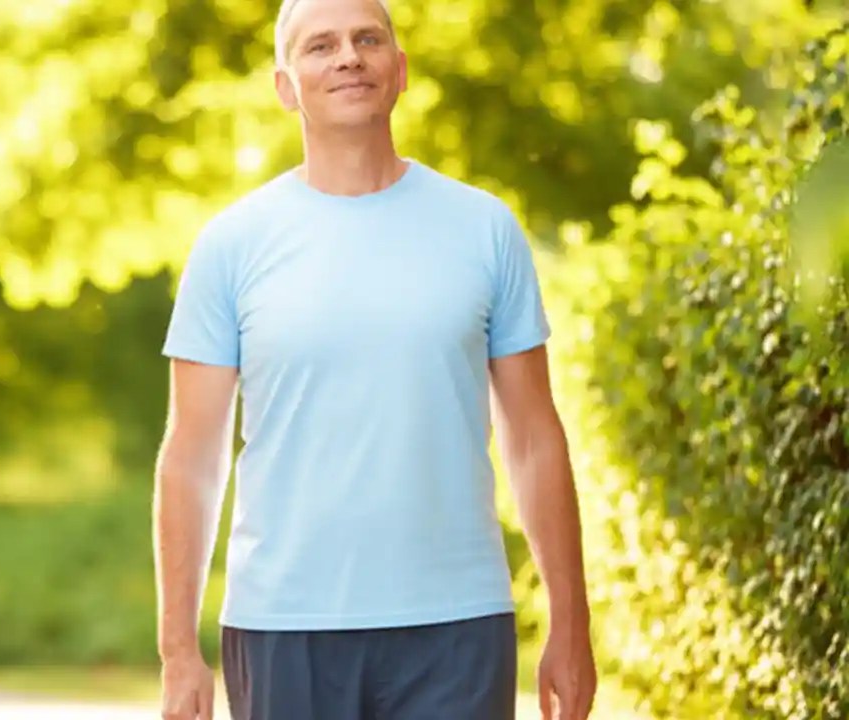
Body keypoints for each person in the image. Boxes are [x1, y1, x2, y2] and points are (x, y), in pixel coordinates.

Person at [152, 0, 597, 717]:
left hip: (459, 624)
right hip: (282, 626)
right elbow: (191, 458)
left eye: (368, 39)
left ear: (400, 71)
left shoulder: (484, 228)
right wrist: (178, 651)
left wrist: (571, 625)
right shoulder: (231, 245)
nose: (349, 57)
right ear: (286, 86)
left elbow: (535, 439)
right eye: (320, 46)